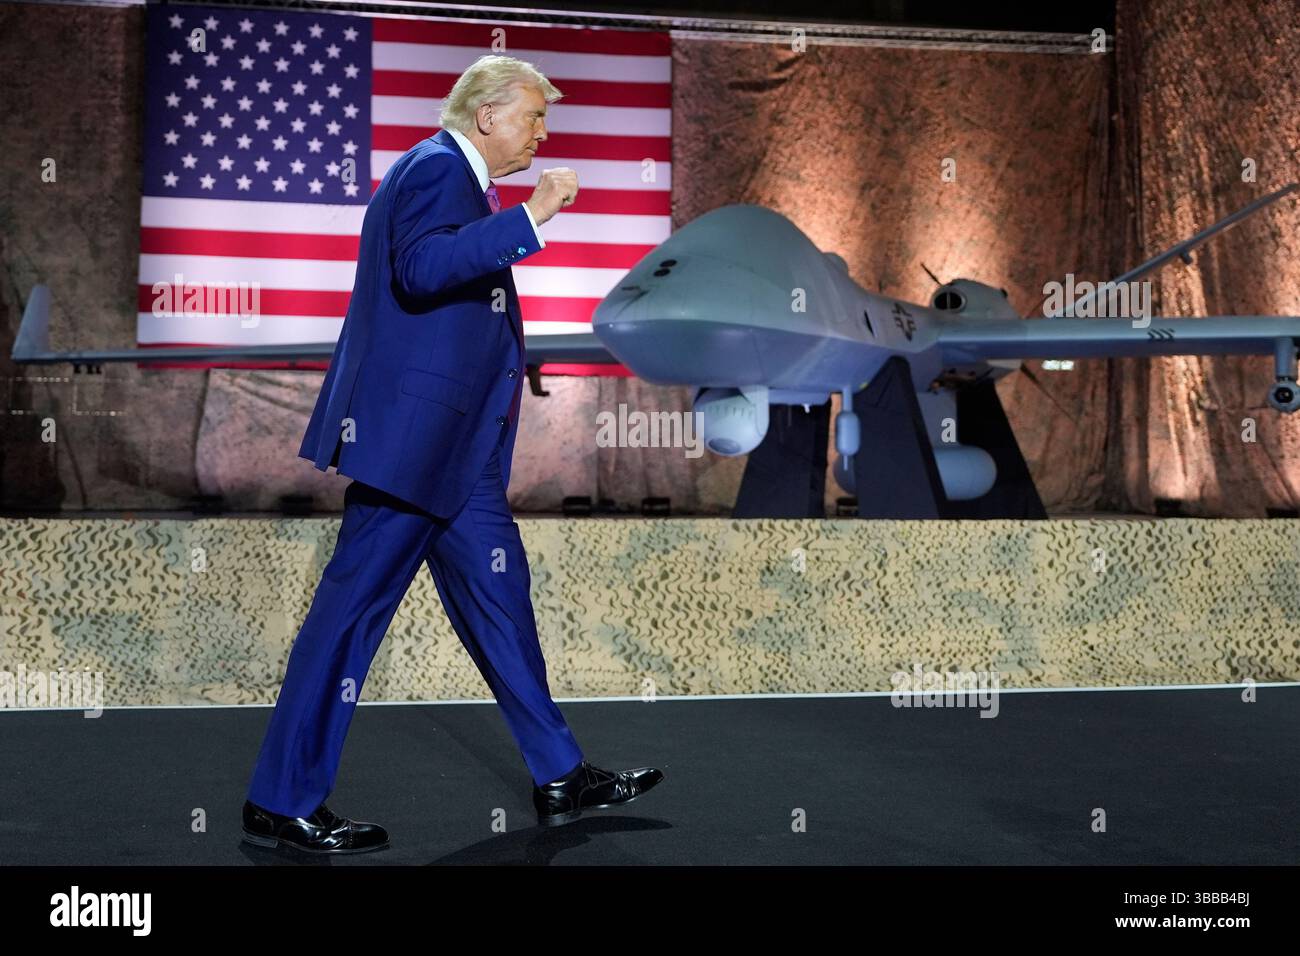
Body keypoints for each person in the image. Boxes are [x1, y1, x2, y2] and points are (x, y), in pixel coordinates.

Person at [241, 54, 662, 854]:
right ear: (485, 117)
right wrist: (531, 219)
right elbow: (423, 268)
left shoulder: (460, 181)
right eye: (534, 115)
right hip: (411, 448)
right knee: (349, 617)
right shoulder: (437, 170)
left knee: (503, 603)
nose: (543, 131)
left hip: (457, 457)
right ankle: (280, 799)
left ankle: (560, 773)